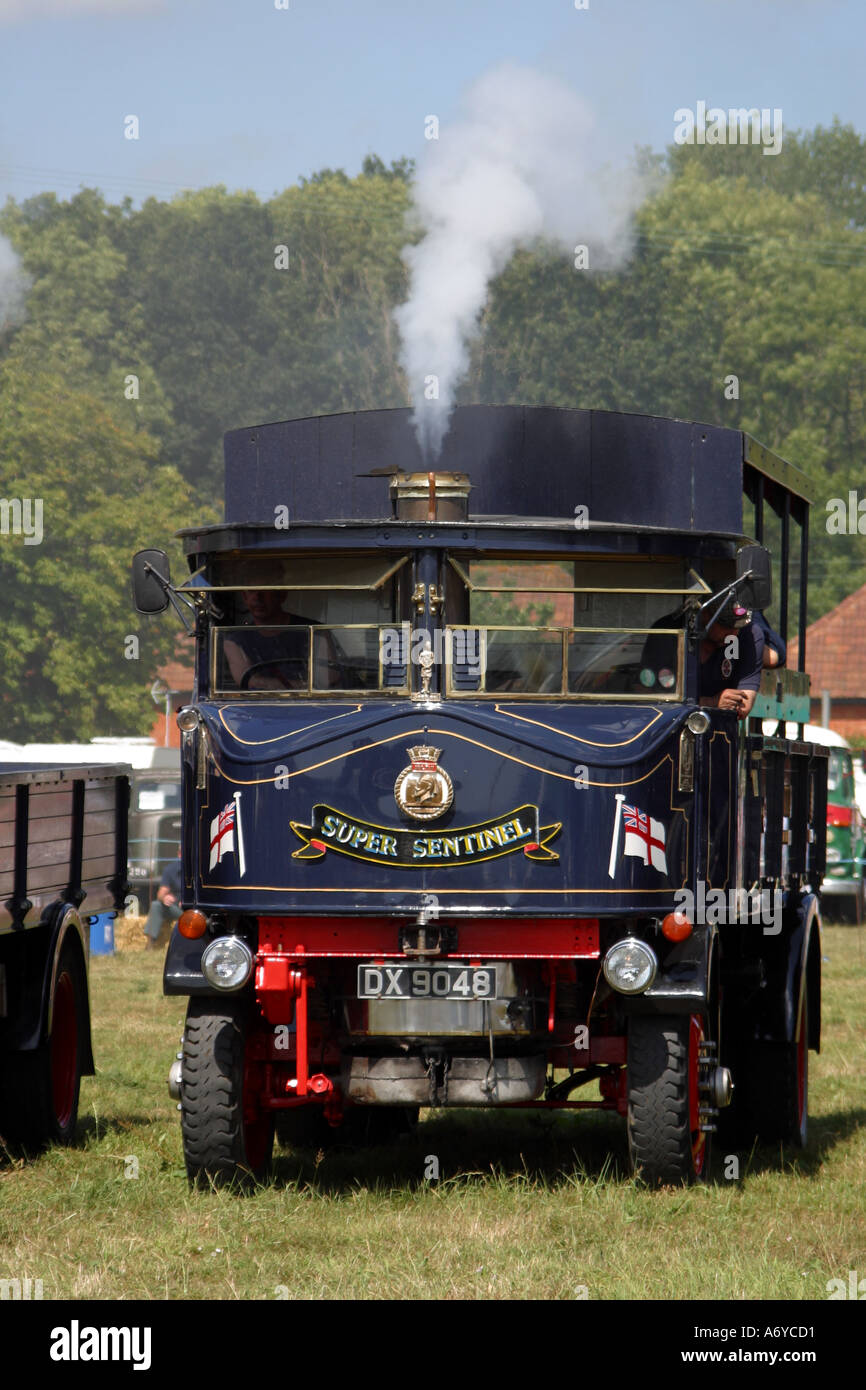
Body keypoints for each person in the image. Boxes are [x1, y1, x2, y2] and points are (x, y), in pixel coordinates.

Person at [698, 599, 764, 718]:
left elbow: (744, 707)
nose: (733, 634)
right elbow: (657, 702)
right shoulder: (671, 631)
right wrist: (712, 703)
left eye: (738, 627)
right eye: (727, 626)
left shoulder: (750, 634)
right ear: (705, 615)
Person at [144, 850, 182, 950]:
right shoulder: (170, 870)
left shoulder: (201, 870)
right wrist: (164, 898)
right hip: (178, 909)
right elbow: (161, 893)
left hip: (195, 910)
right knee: (156, 905)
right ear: (179, 854)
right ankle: (150, 944)